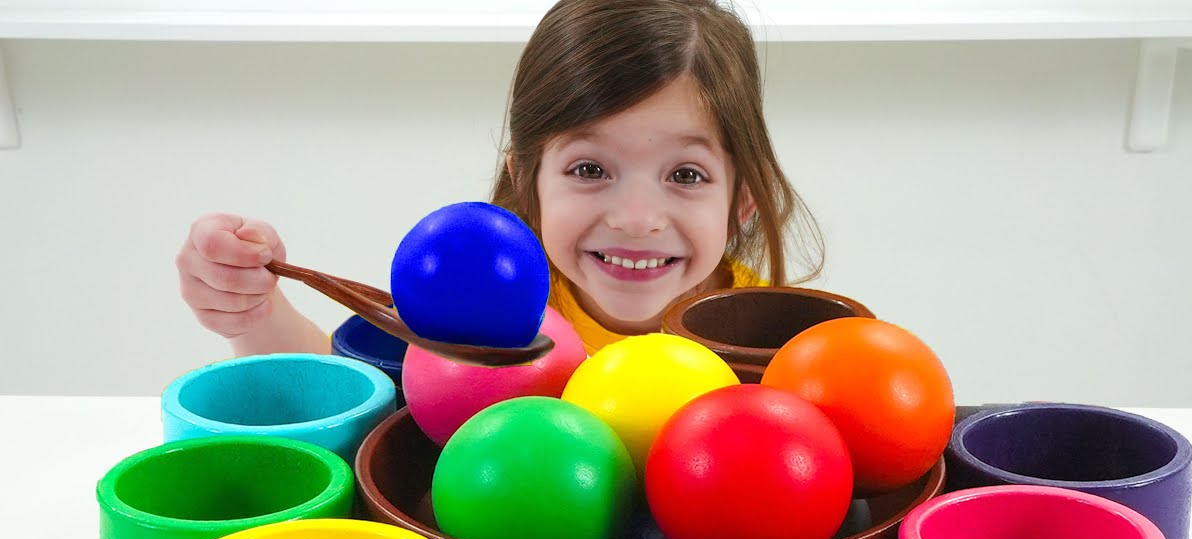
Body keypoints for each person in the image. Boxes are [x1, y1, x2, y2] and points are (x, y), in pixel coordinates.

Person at [176, 0, 823, 357]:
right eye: (589, 169)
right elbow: (349, 398)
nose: (635, 218)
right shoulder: (492, 312)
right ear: (528, 180)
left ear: (743, 199)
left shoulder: (776, 341)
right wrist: (254, 314)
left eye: (685, 174)